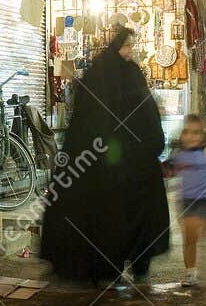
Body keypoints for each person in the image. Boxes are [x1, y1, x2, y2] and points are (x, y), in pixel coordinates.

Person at [39, 27, 171, 286]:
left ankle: (124, 264)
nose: (130, 51)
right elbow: (98, 117)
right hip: (106, 160)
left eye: (132, 46)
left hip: (114, 160)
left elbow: (140, 112)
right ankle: (113, 265)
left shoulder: (114, 72)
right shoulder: (110, 74)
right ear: (117, 46)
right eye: (127, 46)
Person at [165, 114, 206, 288]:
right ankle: (190, 272)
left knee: (194, 232)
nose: (191, 137)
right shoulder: (177, 155)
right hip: (184, 201)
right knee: (189, 238)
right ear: (182, 134)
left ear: (203, 135)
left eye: (196, 133)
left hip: (203, 200)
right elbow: (170, 171)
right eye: (188, 132)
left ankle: (201, 259)